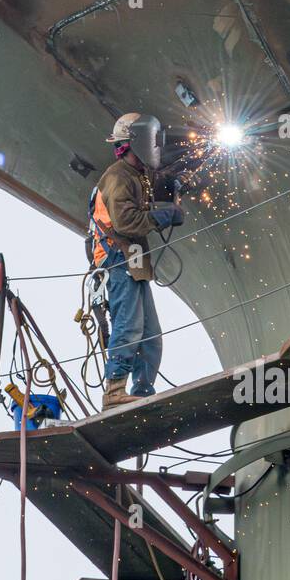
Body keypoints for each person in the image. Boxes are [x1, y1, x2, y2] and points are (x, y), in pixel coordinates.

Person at [89, 113, 182, 410]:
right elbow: (126, 222)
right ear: (137, 142)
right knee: (129, 326)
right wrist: (163, 216)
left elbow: (152, 191)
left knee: (150, 334)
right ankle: (115, 391)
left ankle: (142, 391)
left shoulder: (138, 174)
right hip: (118, 257)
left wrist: (179, 182)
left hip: (135, 259)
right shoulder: (117, 175)